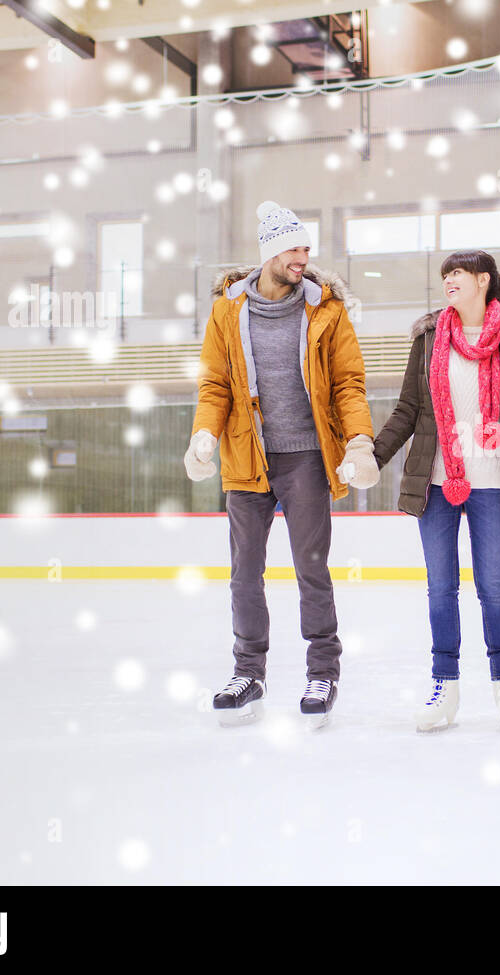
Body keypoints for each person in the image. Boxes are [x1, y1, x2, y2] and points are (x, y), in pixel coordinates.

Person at [184, 200, 379, 728]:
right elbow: (215, 384)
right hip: (248, 457)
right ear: (269, 252)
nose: (303, 257)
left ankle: (323, 672)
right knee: (244, 573)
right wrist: (204, 431)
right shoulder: (227, 310)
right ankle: (248, 670)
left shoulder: (326, 310)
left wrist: (359, 441)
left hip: (308, 460)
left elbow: (347, 383)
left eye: (306, 249)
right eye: (294, 248)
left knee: (311, 568)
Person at [373, 250, 500, 732]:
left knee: (492, 587)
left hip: (494, 482)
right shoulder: (430, 338)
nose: (449, 280)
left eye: (458, 273)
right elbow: (408, 410)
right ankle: (444, 686)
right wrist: (372, 457)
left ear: (483, 281)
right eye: (445, 275)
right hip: (436, 481)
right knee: (441, 588)